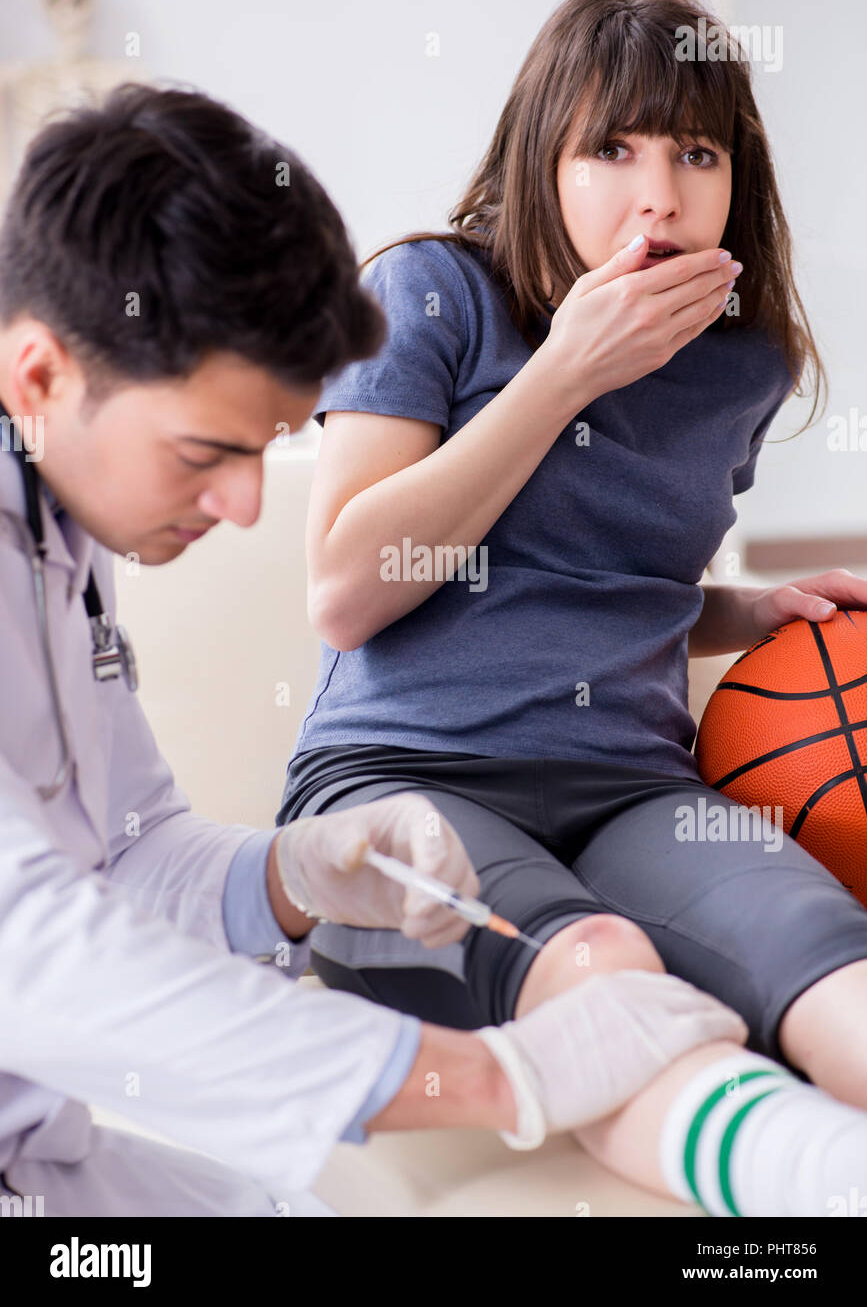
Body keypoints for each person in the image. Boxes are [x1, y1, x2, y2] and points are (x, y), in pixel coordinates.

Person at [0, 80, 749, 1218]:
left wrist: (295, 875)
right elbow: (35, 958)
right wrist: (499, 1076)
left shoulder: (62, 531)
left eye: (265, 448)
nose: (248, 504)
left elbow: (127, 859)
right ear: (41, 373)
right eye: (209, 449)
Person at [276, 0, 867, 1217]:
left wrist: (736, 611)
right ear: (541, 157)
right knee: (603, 966)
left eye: (695, 151)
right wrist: (563, 376)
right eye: (612, 147)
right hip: (403, 785)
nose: (658, 190)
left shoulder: (740, 362)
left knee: (824, 957)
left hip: (628, 787)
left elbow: (611, 575)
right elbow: (346, 590)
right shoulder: (430, 291)